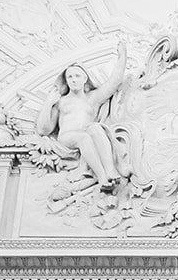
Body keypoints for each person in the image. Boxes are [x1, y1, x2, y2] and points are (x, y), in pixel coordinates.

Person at [35, 42, 127, 190]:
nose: (73, 79)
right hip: (67, 138)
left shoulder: (93, 98)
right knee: (83, 137)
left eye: (77, 76)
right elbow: (43, 130)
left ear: (85, 79)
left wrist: (123, 56)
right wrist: (48, 103)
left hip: (86, 133)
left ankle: (110, 170)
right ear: (66, 81)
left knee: (95, 128)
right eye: (69, 77)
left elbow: (113, 83)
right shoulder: (61, 101)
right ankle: (102, 177)